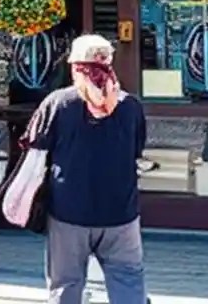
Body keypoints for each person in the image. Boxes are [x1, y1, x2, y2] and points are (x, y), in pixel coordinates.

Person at [25, 34, 147, 304]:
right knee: (128, 280)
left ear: (75, 67)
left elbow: (35, 150)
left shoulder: (58, 103)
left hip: (68, 212)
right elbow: (136, 151)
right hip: (120, 213)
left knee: (66, 285)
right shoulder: (131, 106)